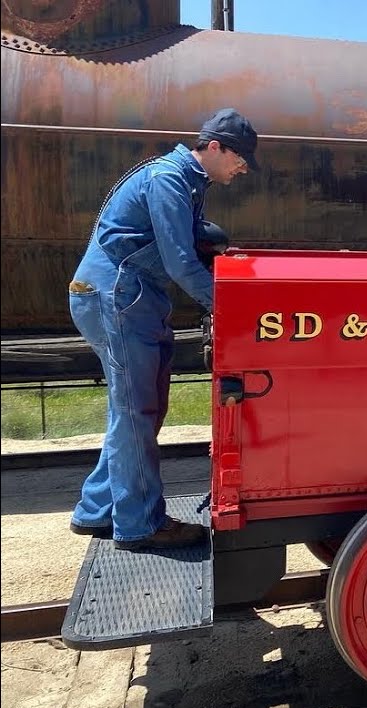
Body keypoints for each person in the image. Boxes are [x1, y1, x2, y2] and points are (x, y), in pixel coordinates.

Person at [67, 108, 258, 550]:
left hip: (132, 298)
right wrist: (231, 305)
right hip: (118, 298)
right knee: (136, 413)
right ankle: (140, 526)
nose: (243, 167)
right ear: (215, 147)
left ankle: (96, 510)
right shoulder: (169, 179)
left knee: (136, 411)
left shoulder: (189, 182)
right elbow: (178, 261)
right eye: (240, 158)